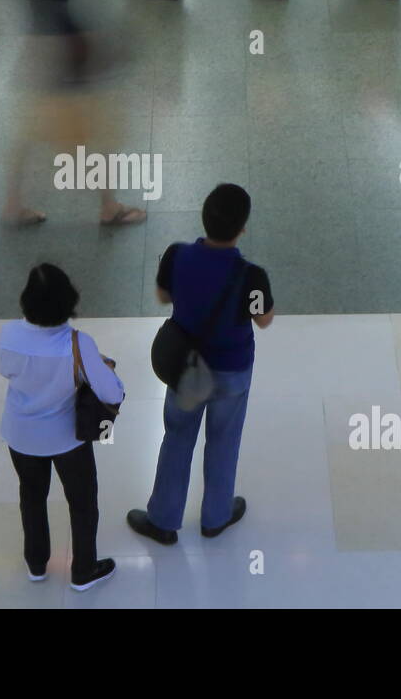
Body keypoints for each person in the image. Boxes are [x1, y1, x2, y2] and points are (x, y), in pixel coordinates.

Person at [127, 183, 275, 545]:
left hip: (187, 369)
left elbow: (163, 296)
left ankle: (163, 519)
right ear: (242, 228)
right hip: (233, 370)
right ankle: (216, 516)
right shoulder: (251, 276)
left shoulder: (176, 256)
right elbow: (264, 319)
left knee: (177, 438)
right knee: (224, 440)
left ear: (204, 219)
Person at [0, 264, 124, 591]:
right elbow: (111, 392)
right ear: (68, 301)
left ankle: (36, 564)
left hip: (20, 435)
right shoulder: (78, 343)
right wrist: (107, 368)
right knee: (82, 504)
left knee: (32, 495)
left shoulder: (9, 334)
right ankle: (83, 571)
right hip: (67, 439)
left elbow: (6, 370)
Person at [2, 0, 148, 228]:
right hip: (68, 65)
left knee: (28, 132)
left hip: (46, 47)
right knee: (103, 133)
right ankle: (109, 207)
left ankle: (12, 204)